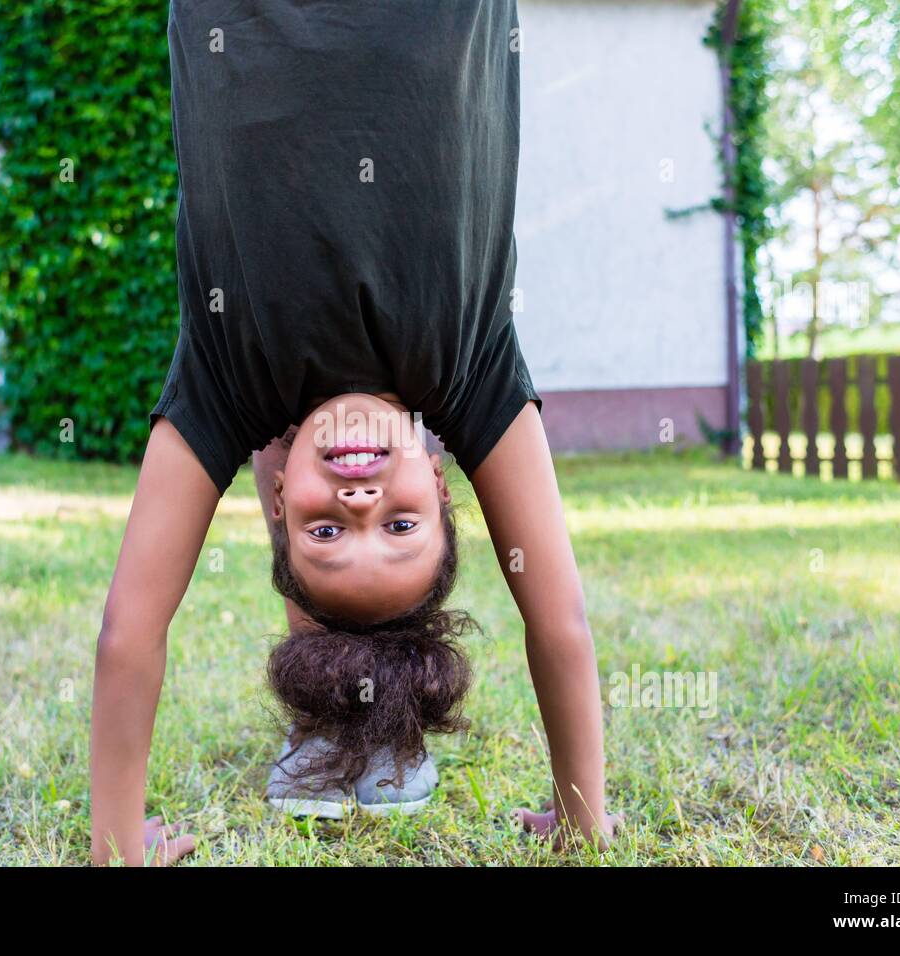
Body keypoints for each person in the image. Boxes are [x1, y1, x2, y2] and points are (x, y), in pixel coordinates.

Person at [91, 0, 620, 866]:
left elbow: (128, 629)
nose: (361, 498)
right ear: (447, 494)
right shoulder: (473, 370)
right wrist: (583, 815)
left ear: (276, 504)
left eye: (327, 530)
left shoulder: (228, 381)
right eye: (400, 525)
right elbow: (560, 621)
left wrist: (114, 842)